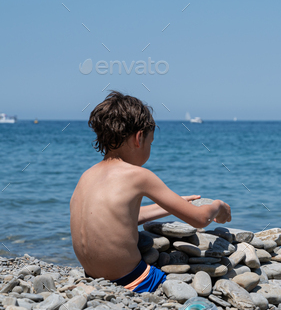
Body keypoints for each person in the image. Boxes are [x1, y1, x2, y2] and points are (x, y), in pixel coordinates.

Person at [70, 91, 231, 293]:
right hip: (133, 280)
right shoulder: (139, 175)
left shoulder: (87, 175)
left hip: (93, 277)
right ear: (139, 138)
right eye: (151, 142)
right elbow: (200, 220)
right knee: (205, 279)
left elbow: (119, 219)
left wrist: (175, 204)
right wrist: (219, 206)